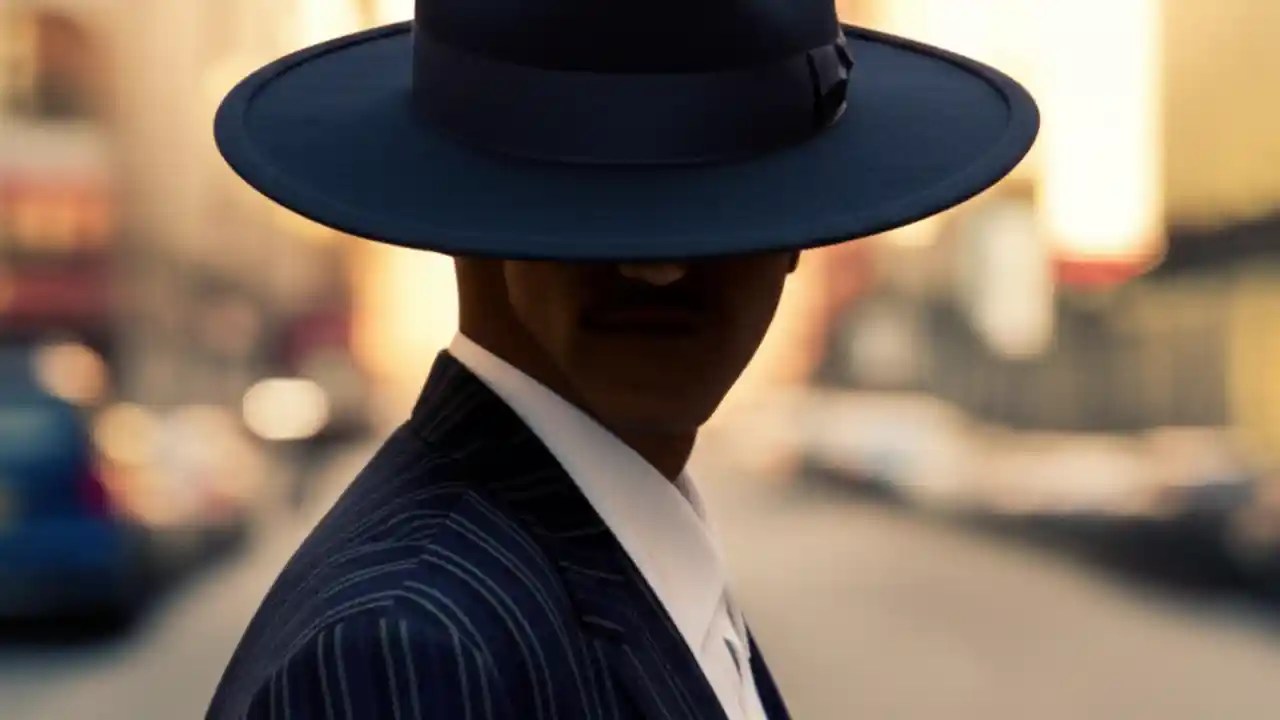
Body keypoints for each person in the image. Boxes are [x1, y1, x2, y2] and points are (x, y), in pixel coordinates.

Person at [205, 0, 1037, 717]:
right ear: (462, 213)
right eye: (590, 201)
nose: (659, 264)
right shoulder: (411, 650)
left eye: (727, 202)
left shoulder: (597, 568)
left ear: (799, 234)